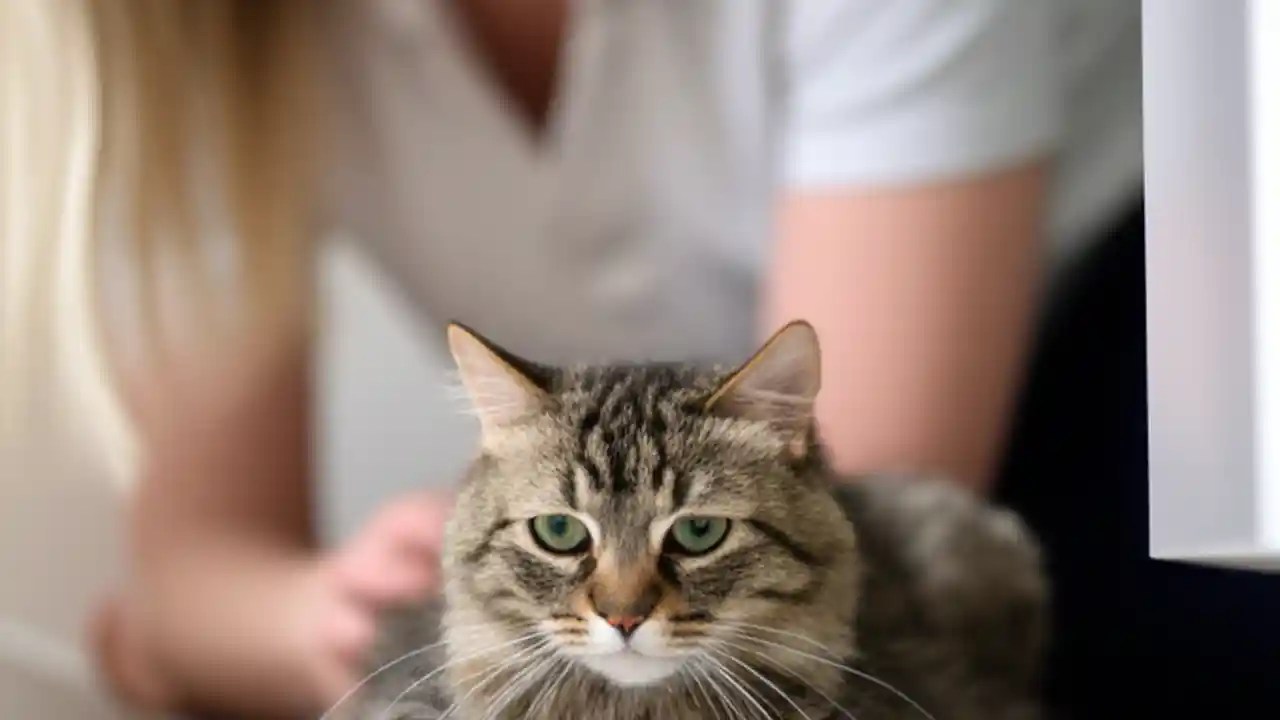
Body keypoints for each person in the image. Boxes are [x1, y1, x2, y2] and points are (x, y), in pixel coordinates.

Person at [19, 2, 1269, 719]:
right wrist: (326, 613)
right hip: (660, 496)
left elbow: (858, 536)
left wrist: (183, 644)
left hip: (1131, 339)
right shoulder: (193, 40)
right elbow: (185, 586)